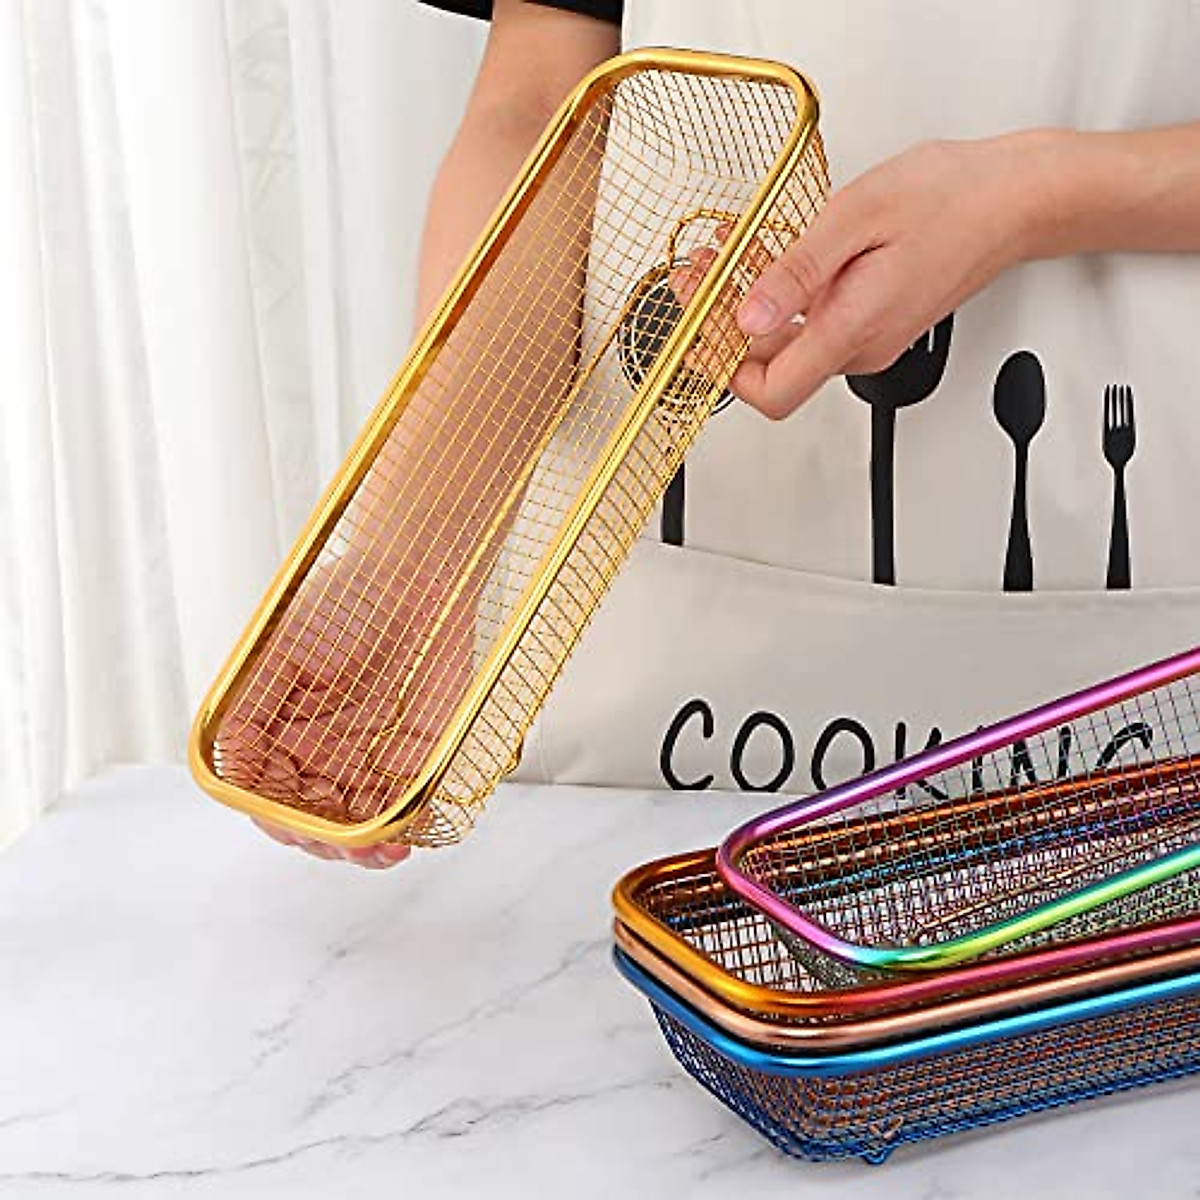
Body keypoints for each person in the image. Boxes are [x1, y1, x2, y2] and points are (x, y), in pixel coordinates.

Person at [261, 0, 1200, 866]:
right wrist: (409, 565)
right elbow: (544, 106)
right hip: (657, 690)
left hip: (1137, 698)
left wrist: (1034, 193)